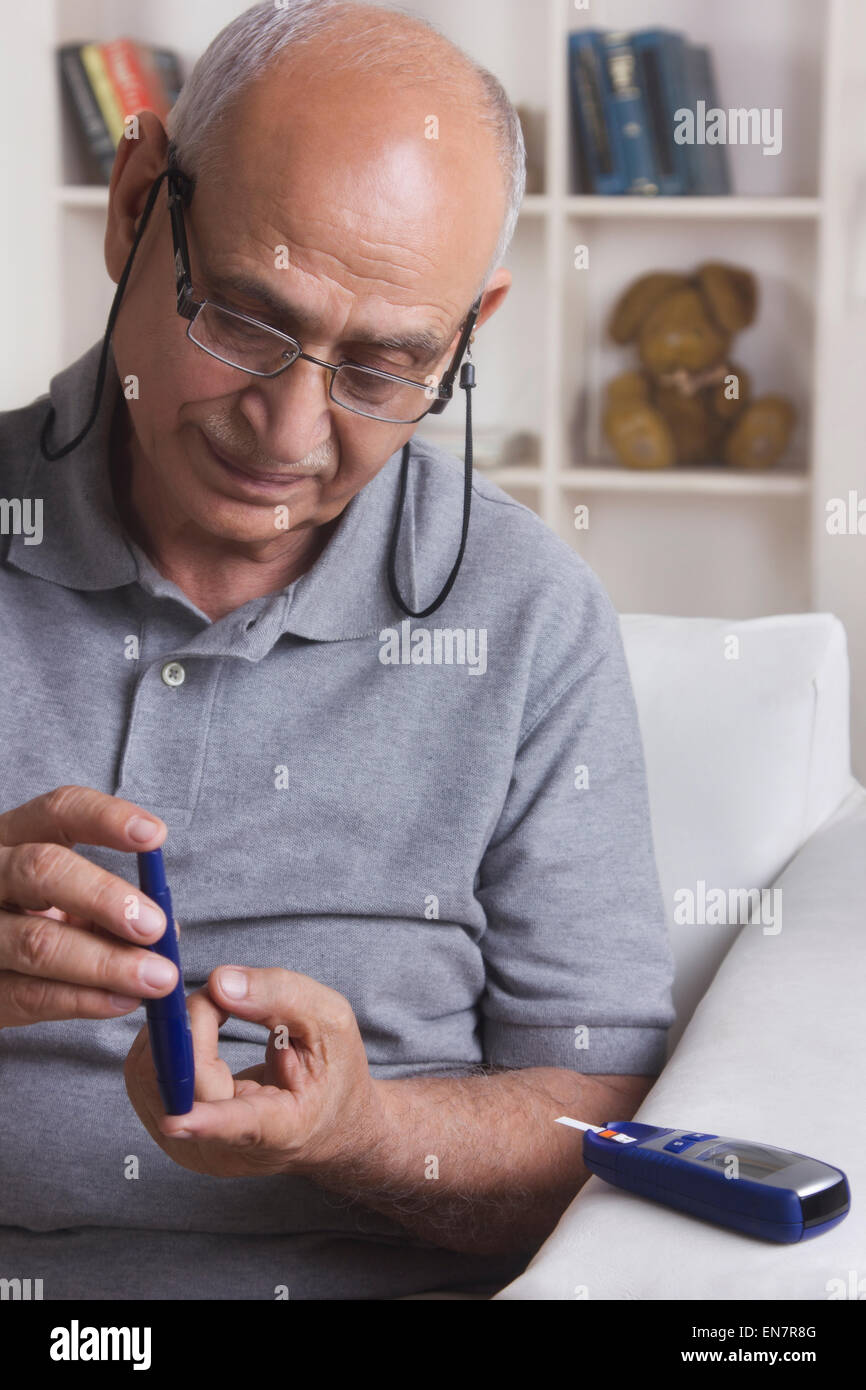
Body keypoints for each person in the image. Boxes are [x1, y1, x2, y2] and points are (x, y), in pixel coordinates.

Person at [0, 0, 675, 1300]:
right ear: (136, 203)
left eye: (385, 366)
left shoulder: (528, 613)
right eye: (248, 321)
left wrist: (363, 1130)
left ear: (469, 329)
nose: (292, 431)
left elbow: (611, 1126)